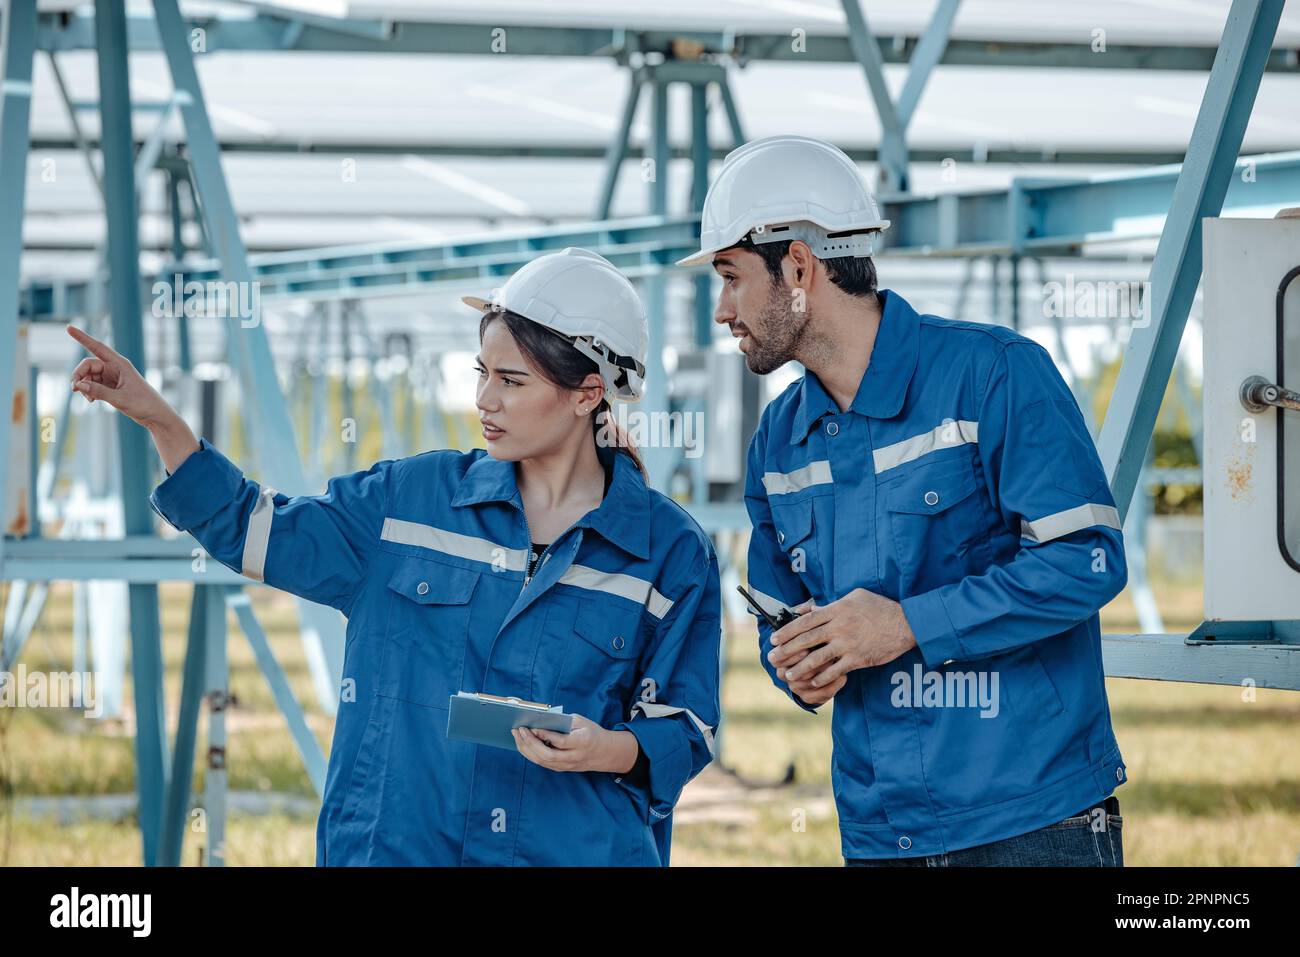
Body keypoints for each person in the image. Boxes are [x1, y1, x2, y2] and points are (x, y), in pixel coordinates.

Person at [67, 246, 722, 866]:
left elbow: (685, 729)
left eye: (512, 380)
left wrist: (607, 748)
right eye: (482, 373)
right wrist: (161, 420)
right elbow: (253, 528)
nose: (484, 400)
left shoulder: (667, 552)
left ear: (588, 394)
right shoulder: (408, 503)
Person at [679, 135, 1129, 866]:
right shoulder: (780, 442)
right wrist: (796, 659)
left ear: (798, 266)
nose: (723, 310)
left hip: (1030, 822)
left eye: (730, 278)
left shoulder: (995, 375)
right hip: (880, 828)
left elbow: (1088, 559)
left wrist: (909, 624)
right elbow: (777, 609)